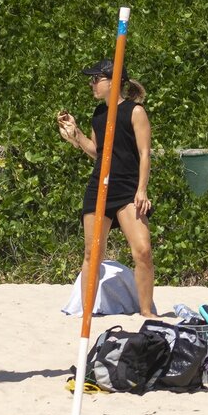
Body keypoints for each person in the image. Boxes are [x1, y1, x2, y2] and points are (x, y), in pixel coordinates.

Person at [54, 60, 156, 317]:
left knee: (143, 250)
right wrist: (75, 134)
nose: (91, 84)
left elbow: (145, 153)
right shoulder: (99, 114)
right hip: (98, 187)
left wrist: (142, 189)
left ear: (113, 81)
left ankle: (146, 311)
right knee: (92, 253)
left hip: (128, 189)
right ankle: (87, 313)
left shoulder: (135, 111)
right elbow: (97, 152)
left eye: (96, 79)